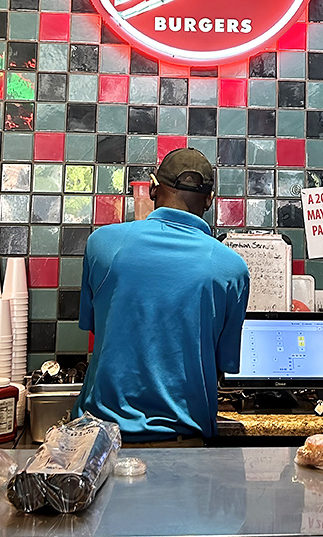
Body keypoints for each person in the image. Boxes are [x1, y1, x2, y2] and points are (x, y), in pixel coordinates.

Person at [73, 147, 250, 445]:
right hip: (185, 444)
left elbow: (98, 327)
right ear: (209, 200)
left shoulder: (102, 245)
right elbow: (223, 364)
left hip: (102, 443)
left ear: (153, 188)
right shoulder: (232, 269)